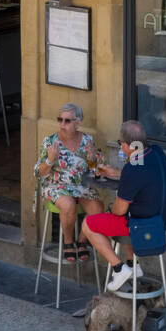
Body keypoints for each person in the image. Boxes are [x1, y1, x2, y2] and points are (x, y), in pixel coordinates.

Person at [81, 119, 166, 290]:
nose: (121, 147)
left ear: (128, 145)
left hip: (144, 227)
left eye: (120, 143)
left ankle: (119, 268)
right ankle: (133, 265)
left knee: (88, 224)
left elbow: (119, 211)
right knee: (130, 211)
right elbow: (142, 175)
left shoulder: (133, 170)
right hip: (162, 220)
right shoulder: (156, 152)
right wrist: (117, 173)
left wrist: (112, 209)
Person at [33, 102, 105, 263]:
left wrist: (93, 158)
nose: (62, 124)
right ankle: (67, 242)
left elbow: (96, 170)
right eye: (60, 120)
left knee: (98, 208)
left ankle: (81, 241)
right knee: (68, 205)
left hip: (81, 185)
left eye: (67, 121)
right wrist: (50, 161)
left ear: (78, 123)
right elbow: (38, 172)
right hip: (56, 185)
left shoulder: (87, 140)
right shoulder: (51, 141)